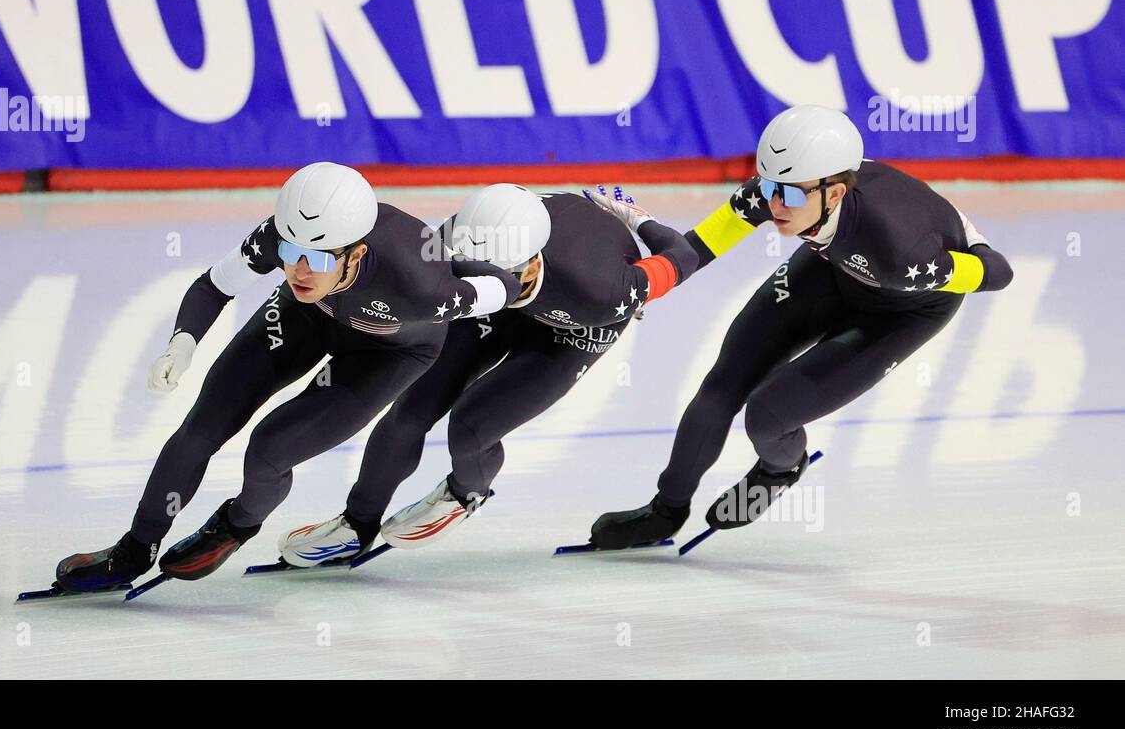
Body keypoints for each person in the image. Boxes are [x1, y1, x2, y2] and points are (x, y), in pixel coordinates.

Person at [52, 162, 521, 591]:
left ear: (355, 255)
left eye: (316, 259)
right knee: (202, 427)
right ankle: (135, 549)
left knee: (269, 450)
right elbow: (213, 285)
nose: (298, 268)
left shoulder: (419, 281)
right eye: (291, 251)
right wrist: (183, 342)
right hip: (305, 318)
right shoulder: (280, 241)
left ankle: (234, 526)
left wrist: (499, 273)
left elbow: (505, 285)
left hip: (390, 352)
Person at [589, 105, 1015, 549]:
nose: (773, 205)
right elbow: (698, 249)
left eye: (789, 195)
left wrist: (969, 239)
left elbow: (998, 272)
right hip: (833, 272)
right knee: (724, 383)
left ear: (833, 195)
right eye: (769, 187)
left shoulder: (898, 252)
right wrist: (637, 285)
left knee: (768, 415)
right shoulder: (787, 187)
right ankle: (665, 510)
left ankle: (780, 469)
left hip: (902, 309)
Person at [277, 183, 698, 567]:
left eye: (501, 278)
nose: (489, 285)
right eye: (479, 273)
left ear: (530, 268)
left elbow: (684, 257)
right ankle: (358, 522)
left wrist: (638, 218)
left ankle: (466, 493)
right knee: (411, 407)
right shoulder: (457, 238)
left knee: (472, 427)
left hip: (577, 320)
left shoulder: (602, 290)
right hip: (508, 301)